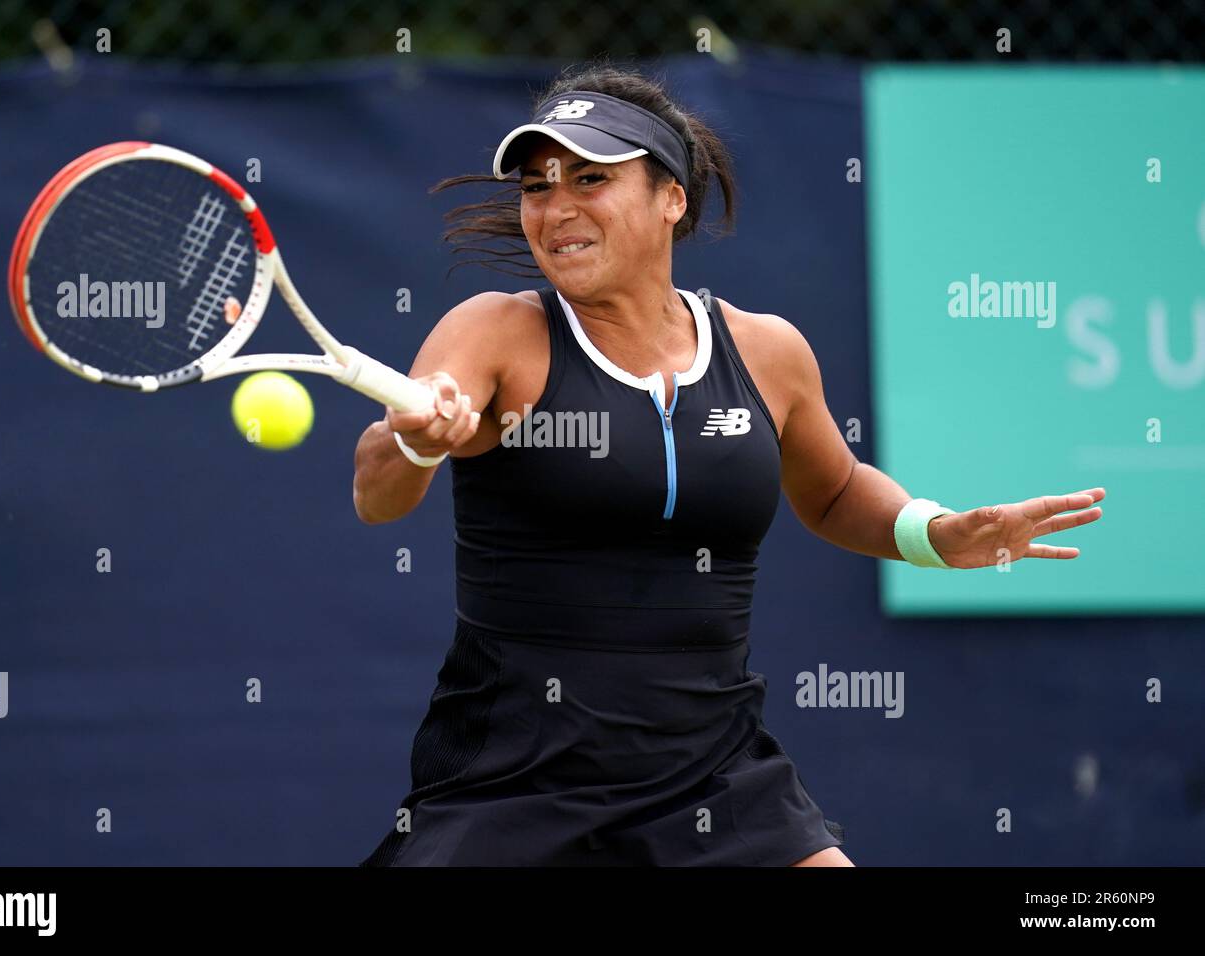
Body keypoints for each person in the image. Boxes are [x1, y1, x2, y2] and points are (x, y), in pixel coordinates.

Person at [352, 64, 1104, 866]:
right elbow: (377, 491)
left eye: (590, 178)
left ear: (671, 197)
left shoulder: (767, 352)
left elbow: (836, 489)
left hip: (715, 777)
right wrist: (415, 439)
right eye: (537, 186)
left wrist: (937, 534)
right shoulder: (494, 332)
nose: (555, 206)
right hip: (515, 784)